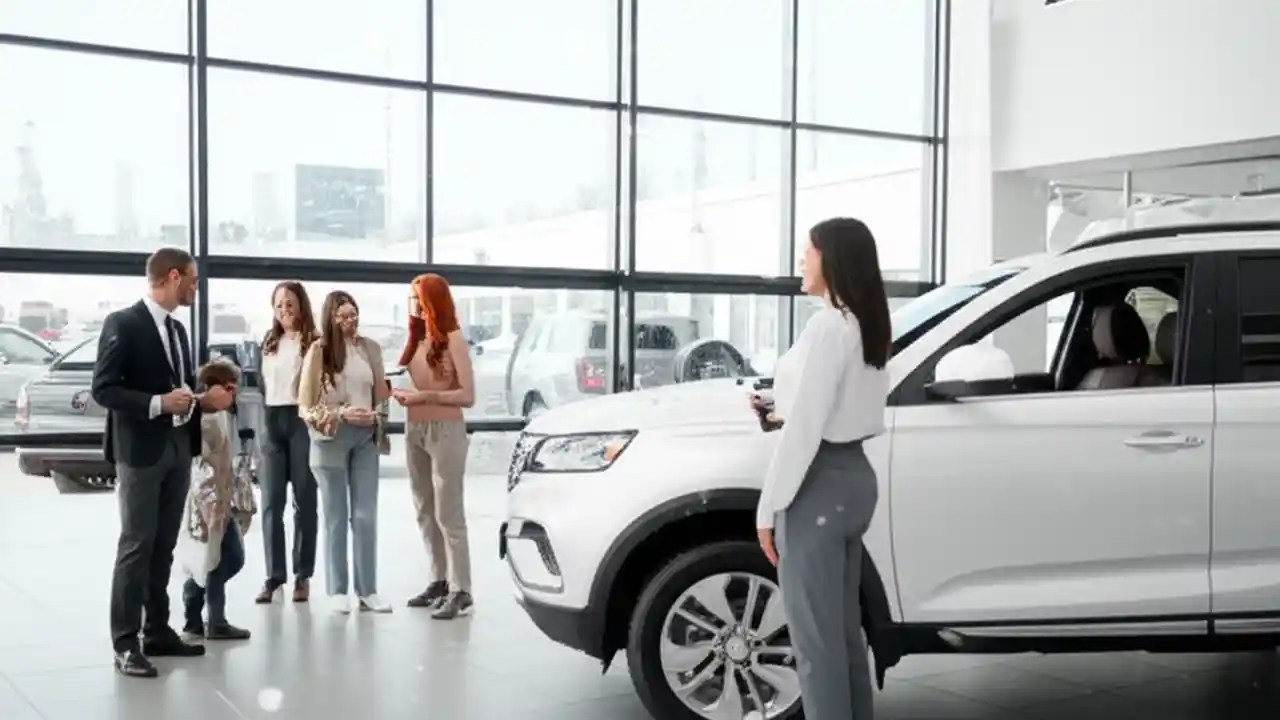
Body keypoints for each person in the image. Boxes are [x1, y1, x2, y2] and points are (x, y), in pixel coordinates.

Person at [753, 218, 892, 720]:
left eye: (806, 253)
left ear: (830, 259)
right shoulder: (865, 322)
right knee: (842, 636)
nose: (800, 261)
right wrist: (777, 406)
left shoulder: (828, 326)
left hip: (819, 484)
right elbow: (826, 407)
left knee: (815, 647)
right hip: (853, 479)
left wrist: (768, 508)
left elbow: (807, 429)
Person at [92, 247, 233, 678]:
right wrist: (155, 403)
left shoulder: (178, 330)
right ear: (173, 277)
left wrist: (201, 400)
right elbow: (104, 389)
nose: (195, 287)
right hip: (141, 452)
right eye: (192, 280)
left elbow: (179, 390)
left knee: (164, 546)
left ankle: (157, 630)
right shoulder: (123, 323)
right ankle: (124, 643)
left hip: (177, 448)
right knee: (136, 544)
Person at [298, 290, 393, 615]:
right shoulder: (319, 351)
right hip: (331, 439)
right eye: (344, 316)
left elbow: (382, 394)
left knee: (365, 516)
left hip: (366, 437)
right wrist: (341, 414)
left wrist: (377, 415)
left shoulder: (370, 349)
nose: (351, 321)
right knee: (336, 517)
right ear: (332, 318)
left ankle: (368, 590)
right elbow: (307, 405)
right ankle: (338, 590)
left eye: (354, 315)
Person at [393, 274, 476, 619]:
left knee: (448, 513)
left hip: (446, 430)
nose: (413, 304)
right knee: (424, 509)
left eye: (418, 298)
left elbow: (468, 396)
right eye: (410, 298)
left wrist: (425, 396)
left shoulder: (453, 338)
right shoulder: (414, 339)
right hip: (415, 428)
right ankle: (438, 580)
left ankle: (461, 589)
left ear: (433, 301)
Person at [177, 359, 254, 641]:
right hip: (209, 506)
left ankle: (197, 613)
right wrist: (209, 503)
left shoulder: (221, 416)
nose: (235, 396)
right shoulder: (207, 421)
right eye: (231, 389)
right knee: (221, 559)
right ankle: (211, 617)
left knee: (219, 560)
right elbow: (200, 466)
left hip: (221, 502)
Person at [256, 280, 320, 604]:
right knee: (270, 502)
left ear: (301, 305)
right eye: (279, 304)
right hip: (271, 421)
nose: (284, 309)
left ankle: (302, 575)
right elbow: (259, 386)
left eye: (290, 303)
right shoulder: (268, 342)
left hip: (300, 420)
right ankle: (273, 576)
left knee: (305, 499)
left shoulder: (313, 343)